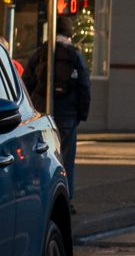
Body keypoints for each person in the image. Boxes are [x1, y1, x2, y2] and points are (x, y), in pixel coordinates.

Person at [25, 31, 91, 177]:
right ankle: (66, 196)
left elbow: (26, 83)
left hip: (41, 112)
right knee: (66, 159)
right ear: (69, 35)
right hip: (67, 113)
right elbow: (84, 86)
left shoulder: (40, 53)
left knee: (41, 155)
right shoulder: (75, 55)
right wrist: (81, 114)